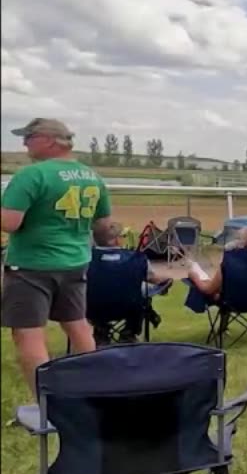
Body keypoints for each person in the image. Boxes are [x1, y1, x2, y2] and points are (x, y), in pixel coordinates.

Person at [1, 118, 113, 394]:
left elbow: (10, 223)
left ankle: (45, 402)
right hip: (75, 262)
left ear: (49, 140)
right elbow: (103, 226)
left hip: (31, 265)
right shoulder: (92, 176)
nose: (24, 143)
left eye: (29, 137)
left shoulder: (31, 175)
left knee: (27, 332)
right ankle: (95, 390)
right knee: (77, 326)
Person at [90, 219, 172, 343]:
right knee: (143, 296)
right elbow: (155, 280)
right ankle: (129, 332)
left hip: (92, 310)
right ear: (115, 240)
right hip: (129, 309)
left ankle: (101, 330)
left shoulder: (85, 259)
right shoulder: (136, 258)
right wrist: (167, 280)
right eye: (121, 236)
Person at [187, 222, 247, 298]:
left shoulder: (230, 263)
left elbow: (207, 290)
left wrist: (195, 278)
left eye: (238, 238)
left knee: (201, 285)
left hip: (234, 301)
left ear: (242, 243)